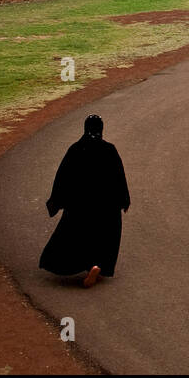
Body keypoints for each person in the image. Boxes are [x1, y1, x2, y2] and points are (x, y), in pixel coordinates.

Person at [39, 114, 131, 288]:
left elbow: (63, 177)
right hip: (106, 205)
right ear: (101, 129)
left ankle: (86, 265)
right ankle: (97, 265)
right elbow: (119, 176)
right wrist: (124, 200)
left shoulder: (76, 149)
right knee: (104, 236)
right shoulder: (109, 149)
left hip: (80, 205)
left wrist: (57, 201)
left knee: (77, 235)